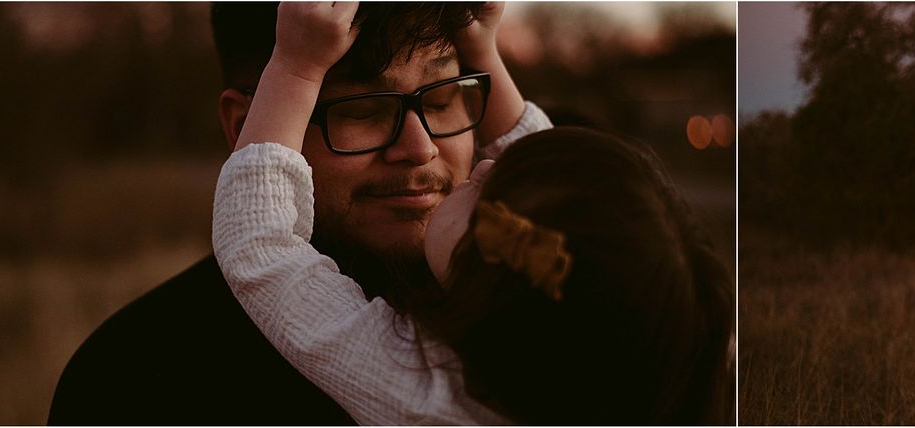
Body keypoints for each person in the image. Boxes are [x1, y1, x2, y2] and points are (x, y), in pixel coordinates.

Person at [210, 5, 731, 424]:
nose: (483, 163)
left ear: (485, 290)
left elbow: (262, 244)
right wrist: (482, 47)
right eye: (362, 109)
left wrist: (297, 67)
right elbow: (565, 199)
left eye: (440, 100)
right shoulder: (610, 366)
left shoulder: (424, 391)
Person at [48, 3, 550, 424]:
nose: (419, 149)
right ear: (248, 127)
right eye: (361, 109)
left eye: (441, 99)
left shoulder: (546, 300)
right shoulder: (137, 381)